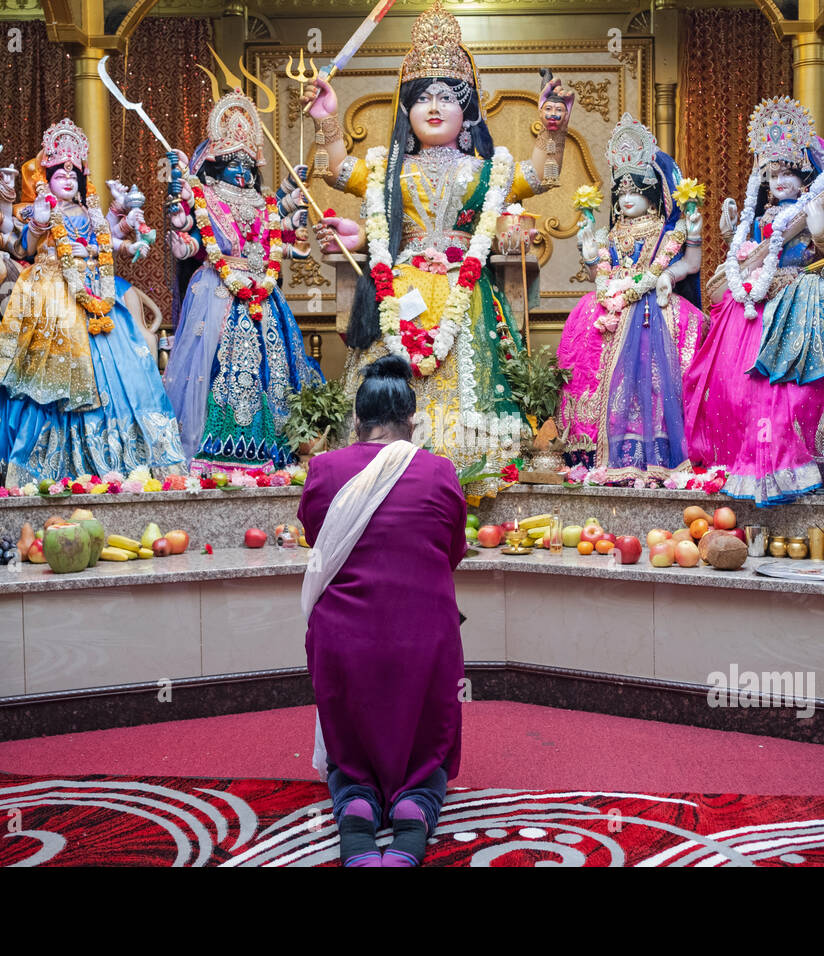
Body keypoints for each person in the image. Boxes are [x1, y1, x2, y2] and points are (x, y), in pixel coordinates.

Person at [301, 0, 575, 481]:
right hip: (399, 285)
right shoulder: (390, 169)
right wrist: (327, 118)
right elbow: (334, 170)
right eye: (422, 97)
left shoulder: (489, 171)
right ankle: (379, 465)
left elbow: (545, 176)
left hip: (463, 292)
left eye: (447, 97)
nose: (433, 106)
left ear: (466, 113)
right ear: (406, 110)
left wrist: (554, 129)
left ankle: (460, 471)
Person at [298, 356, 467, 867]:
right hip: (425, 640)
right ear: (412, 421)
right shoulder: (439, 472)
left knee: (351, 755)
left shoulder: (324, 470)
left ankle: (355, 809)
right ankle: (414, 811)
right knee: (423, 754)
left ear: (356, 418)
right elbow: (452, 551)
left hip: (344, 642)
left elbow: (318, 543)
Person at [0, 118, 184, 485]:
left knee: (131, 367)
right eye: (58, 174)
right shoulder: (37, 210)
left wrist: (129, 237)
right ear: (47, 179)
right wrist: (34, 222)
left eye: (73, 174)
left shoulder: (90, 213)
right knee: (50, 380)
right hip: (52, 297)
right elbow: (22, 247)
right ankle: (50, 463)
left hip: (98, 291)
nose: (67, 180)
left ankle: (128, 457)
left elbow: (107, 241)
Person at [683, 96, 824, 504]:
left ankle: (792, 461)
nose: (779, 181)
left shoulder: (813, 209)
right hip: (755, 299)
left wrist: (820, 233)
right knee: (733, 384)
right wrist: (733, 234)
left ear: (804, 177)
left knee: (784, 390)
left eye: (787, 172)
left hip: (801, 294)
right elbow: (749, 257)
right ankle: (735, 459)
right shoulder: (765, 216)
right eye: (772, 173)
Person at [163, 65, 324, 472]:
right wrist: (179, 216)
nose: (241, 171)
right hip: (218, 289)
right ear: (214, 164)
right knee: (219, 366)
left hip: (264, 293)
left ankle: (278, 447)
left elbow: (275, 242)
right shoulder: (205, 195)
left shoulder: (261, 200)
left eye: (248, 164)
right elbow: (192, 241)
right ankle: (219, 450)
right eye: (232, 162)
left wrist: (293, 216)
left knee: (276, 367)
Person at [557, 113, 706, 478]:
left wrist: (668, 273)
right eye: (621, 192)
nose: (627, 199)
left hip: (654, 305)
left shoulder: (665, 229)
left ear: (654, 197)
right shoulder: (611, 233)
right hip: (606, 302)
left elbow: (690, 262)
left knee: (654, 379)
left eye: (636, 191)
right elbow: (599, 275)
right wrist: (590, 253)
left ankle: (648, 453)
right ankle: (590, 455)